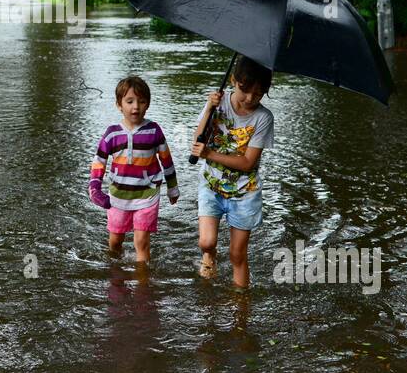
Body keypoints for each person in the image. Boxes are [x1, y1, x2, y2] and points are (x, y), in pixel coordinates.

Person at [190, 56, 275, 287]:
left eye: (258, 94)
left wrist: (210, 155)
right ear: (233, 80)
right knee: (207, 242)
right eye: (244, 90)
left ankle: (241, 304)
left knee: (237, 254)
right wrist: (209, 108)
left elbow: (248, 162)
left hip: (244, 193)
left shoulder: (263, 118)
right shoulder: (218, 104)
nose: (249, 98)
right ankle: (209, 255)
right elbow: (197, 142)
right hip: (212, 186)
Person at [88, 75, 179, 264]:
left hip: (147, 194)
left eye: (141, 101)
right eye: (129, 101)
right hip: (118, 195)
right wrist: (95, 188)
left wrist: (172, 187)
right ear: (119, 104)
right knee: (115, 241)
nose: (135, 107)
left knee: (142, 242)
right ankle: (116, 273)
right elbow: (99, 160)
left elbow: (166, 160)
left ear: (148, 104)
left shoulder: (154, 131)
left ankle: (142, 285)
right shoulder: (112, 133)